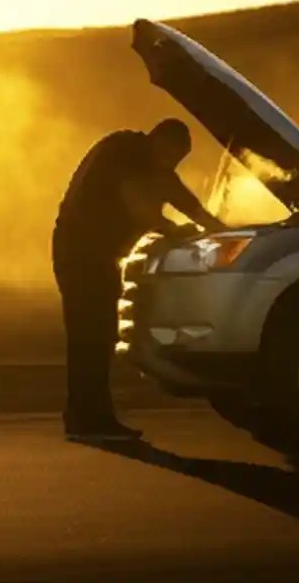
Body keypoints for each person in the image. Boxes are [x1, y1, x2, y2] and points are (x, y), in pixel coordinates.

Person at [51, 118, 224, 440]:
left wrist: (218, 228)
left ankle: (84, 416)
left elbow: (182, 199)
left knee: (94, 336)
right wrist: (173, 229)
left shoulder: (144, 157)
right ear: (162, 142)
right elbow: (138, 204)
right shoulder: (125, 151)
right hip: (79, 254)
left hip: (93, 256)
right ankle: (89, 419)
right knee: (92, 336)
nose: (173, 166)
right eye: (173, 157)